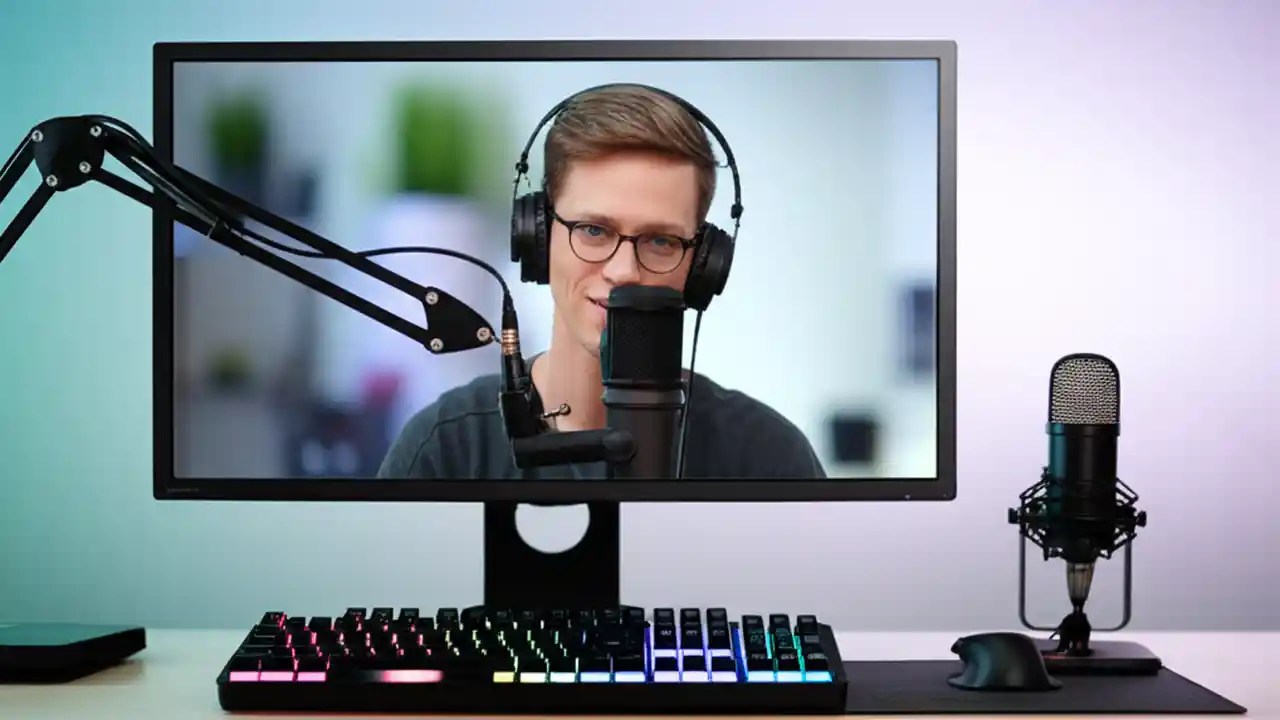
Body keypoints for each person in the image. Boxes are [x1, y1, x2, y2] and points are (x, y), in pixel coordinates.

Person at [377, 84, 825, 479]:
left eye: (661, 240)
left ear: (703, 266)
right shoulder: (443, 449)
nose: (624, 270)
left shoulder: (768, 456)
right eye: (593, 230)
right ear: (537, 237)